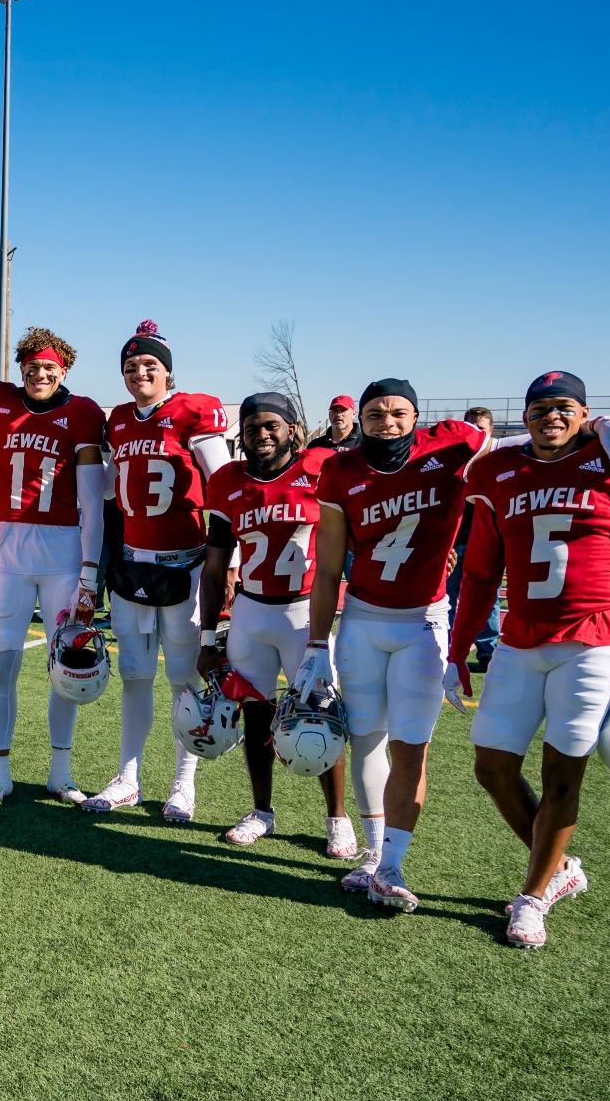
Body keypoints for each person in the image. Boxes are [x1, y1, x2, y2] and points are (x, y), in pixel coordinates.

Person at [449, 370, 610, 949]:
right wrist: (458, 648)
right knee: (492, 767)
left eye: (565, 408)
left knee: (561, 776)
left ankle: (531, 897)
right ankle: (560, 869)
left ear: (584, 412)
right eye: (539, 408)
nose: (551, 417)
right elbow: (480, 572)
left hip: (590, 641)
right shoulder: (497, 472)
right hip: (519, 641)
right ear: (523, 415)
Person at [294, 379, 494, 909]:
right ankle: (376, 854)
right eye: (377, 413)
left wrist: (598, 428)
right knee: (366, 737)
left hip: (424, 620)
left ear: (416, 416)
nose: (388, 421)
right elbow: (329, 565)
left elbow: (517, 444)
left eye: (399, 412)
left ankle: (393, 864)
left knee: (411, 746)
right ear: (360, 418)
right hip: (362, 616)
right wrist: (318, 643)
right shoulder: (340, 469)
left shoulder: (452, 442)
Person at [0, 327, 108, 804]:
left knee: (65, 669)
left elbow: (93, 504)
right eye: (32, 368)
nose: (40, 375)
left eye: (49, 369)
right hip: (10, 553)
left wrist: (90, 575)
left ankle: (60, 772)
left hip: (63, 555)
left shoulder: (82, 413)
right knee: (1, 667)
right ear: (22, 370)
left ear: (64, 371)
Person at [80, 319, 233, 821]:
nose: (139, 372)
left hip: (184, 567)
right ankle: (128, 777)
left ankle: (182, 784)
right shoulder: (119, 419)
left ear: (167, 371)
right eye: (130, 366)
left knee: (185, 679)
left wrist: (228, 562)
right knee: (134, 675)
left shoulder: (192, 411)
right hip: (130, 566)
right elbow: (106, 487)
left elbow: (225, 487)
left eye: (149, 365)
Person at [198, 392, 358, 857]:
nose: (261, 435)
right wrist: (209, 637)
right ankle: (262, 811)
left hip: (306, 610)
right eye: (251, 428)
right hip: (251, 610)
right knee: (256, 714)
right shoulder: (228, 481)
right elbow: (214, 567)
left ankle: (338, 818)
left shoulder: (323, 467)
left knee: (321, 714)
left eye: (271, 425)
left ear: (293, 429)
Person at [447, 407, 502, 672]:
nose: (477, 431)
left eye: (481, 426)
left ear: (491, 430)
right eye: (471, 426)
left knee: (488, 598)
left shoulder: (499, 460)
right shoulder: (453, 458)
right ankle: (445, 647)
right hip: (454, 538)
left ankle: (487, 651)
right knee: (448, 596)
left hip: (485, 541)